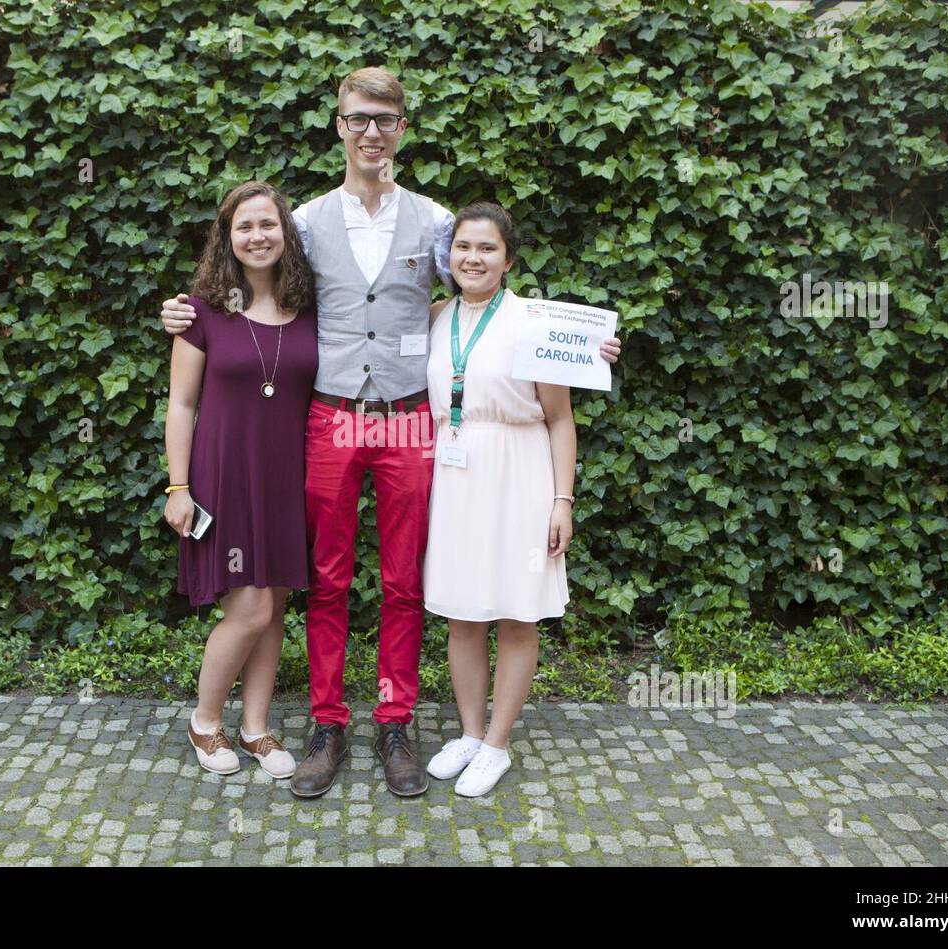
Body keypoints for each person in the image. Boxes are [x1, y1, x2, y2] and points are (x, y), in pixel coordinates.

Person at [161, 67, 623, 799]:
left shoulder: (438, 222)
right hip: (331, 417)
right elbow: (244, 281)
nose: (370, 131)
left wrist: (567, 342)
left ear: (402, 129)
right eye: (357, 119)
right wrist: (186, 312)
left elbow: (482, 294)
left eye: (384, 118)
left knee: (406, 580)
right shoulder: (305, 222)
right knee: (329, 579)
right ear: (340, 127)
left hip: (410, 420)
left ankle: (396, 718)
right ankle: (327, 722)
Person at [163, 180, 318, 780]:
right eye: (245, 227)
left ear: (287, 233)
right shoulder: (200, 312)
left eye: (268, 225)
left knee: (274, 606)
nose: (259, 236)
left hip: (288, 477)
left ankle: (255, 727)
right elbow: (181, 405)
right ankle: (205, 721)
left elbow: (401, 315)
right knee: (249, 608)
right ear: (227, 239)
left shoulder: (311, 307)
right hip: (224, 474)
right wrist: (178, 487)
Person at [422, 202, 577, 797]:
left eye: (487, 248)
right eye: (463, 246)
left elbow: (560, 419)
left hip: (520, 473)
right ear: (450, 255)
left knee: (516, 612)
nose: (473, 258)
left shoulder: (533, 324)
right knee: (464, 612)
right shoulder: (437, 316)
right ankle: (468, 732)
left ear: (508, 259)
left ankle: (497, 743)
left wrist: (562, 500)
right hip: (456, 473)